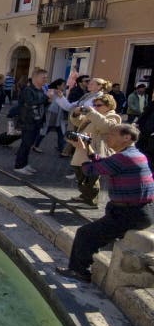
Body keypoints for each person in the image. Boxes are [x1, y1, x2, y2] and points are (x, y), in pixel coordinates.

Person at [57, 124, 154, 282]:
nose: (107, 137)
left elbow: (89, 170)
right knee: (98, 232)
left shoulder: (124, 157)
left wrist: (80, 149)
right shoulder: (135, 154)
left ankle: (79, 271)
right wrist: (88, 148)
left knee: (85, 234)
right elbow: (102, 162)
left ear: (126, 137)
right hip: (139, 210)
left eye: (112, 134)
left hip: (130, 214)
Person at [65, 94, 122, 206]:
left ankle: (91, 200)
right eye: (94, 105)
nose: (95, 107)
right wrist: (76, 113)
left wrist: (92, 112)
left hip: (95, 151)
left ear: (108, 106)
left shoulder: (113, 117)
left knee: (91, 176)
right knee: (79, 172)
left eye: (99, 105)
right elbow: (79, 122)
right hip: (82, 148)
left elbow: (106, 127)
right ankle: (84, 195)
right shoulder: (95, 114)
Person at [13, 68, 49, 175]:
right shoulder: (28, 90)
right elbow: (31, 103)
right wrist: (46, 98)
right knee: (25, 144)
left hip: (37, 122)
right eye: (43, 77)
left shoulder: (41, 90)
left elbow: (42, 105)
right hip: (28, 122)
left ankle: (24, 164)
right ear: (36, 78)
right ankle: (19, 165)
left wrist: (47, 100)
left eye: (46, 78)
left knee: (29, 144)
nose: (45, 80)